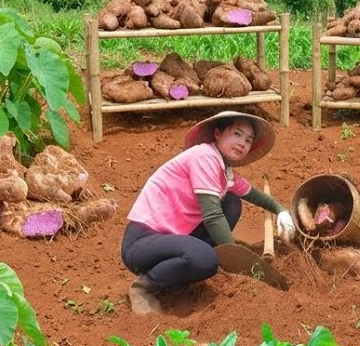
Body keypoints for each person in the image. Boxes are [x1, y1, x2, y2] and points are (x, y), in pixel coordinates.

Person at [121, 110, 296, 315]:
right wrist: (235, 260)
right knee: (206, 259)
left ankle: (182, 274)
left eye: (248, 140)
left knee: (231, 202)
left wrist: (281, 211)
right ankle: (144, 286)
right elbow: (213, 216)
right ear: (217, 134)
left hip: (171, 241)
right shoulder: (204, 156)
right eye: (237, 134)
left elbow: (254, 195)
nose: (242, 143)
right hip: (143, 241)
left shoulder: (225, 172)